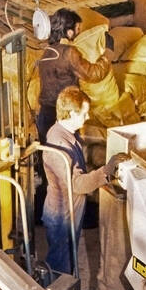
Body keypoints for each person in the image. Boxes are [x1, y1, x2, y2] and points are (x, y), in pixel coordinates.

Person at [41, 86, 107, 279]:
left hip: (72, 210)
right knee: (60, 265)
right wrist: (105, 171)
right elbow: (77, 185)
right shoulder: (60, 142)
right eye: (84, 113)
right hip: (62, 214)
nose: (87, 118)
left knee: (68, 258)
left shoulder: (67, 132)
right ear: (71, 113)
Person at [35, 8, 112, 139]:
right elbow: (93, 74)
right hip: (64, 115)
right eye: (77, 29)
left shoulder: (47, 52)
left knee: (49, 153)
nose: (79, 33)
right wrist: (108, 54)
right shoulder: (69, 53)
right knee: (69, 152)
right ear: (69, 32)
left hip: (45, 114)